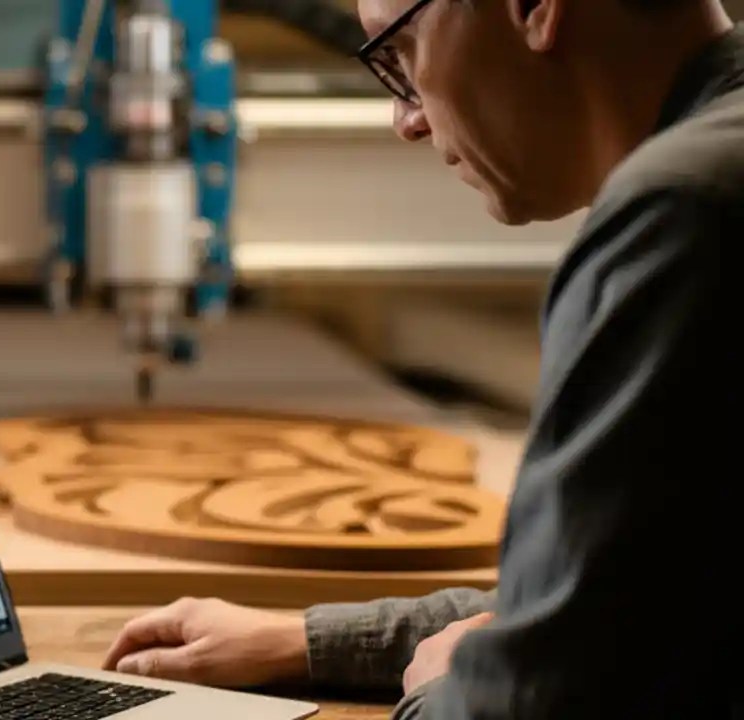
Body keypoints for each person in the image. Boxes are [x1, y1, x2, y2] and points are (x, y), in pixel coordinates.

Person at [102, 0, 738, 717]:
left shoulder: (683, 216)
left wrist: (436, 688)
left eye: (399, 56)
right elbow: (625, 594)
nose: (406, 120)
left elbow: (541, 700)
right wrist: (306, 642)